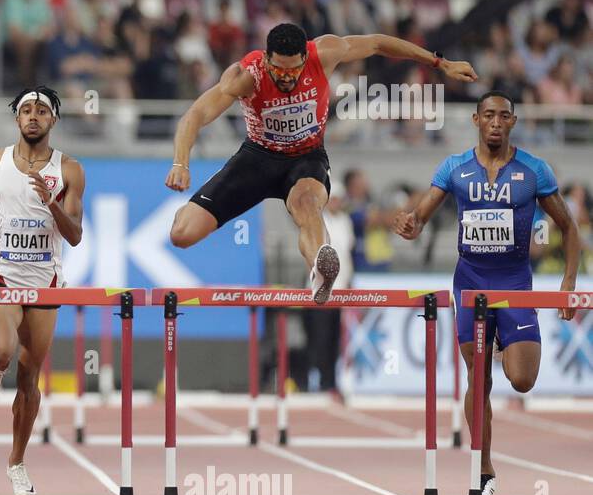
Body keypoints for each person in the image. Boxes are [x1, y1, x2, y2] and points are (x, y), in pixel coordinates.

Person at [166, 23, 479, 303]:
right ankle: (197, 210)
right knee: (182, 234)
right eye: (279, 71)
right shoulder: (247, 77)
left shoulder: (325, 52)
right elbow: (195, 115)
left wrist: (440, 62)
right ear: (266, 61)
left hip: (306, 158)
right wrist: (181, 163)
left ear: (305, 57)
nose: (287, 79)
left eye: (293, 71)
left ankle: (320, 268)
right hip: (257, 159)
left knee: (306, 205)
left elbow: (378, 43)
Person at [394, 91, 582, 495]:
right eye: (489, 116)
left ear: (513, 122)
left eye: (503, 116)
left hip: (514, 283)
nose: (496, 123)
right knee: (478, 378)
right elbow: (420, 217)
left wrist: (568, 285)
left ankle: (504, 338)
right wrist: (410, 225)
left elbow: (569, 229)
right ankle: (483, 465)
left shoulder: (534, 171)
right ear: (476, 120)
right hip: (470, 283)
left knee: (522, 380)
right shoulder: (455, 168)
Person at [0, 87, 85, 495]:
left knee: (30, 378)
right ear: (16, 119)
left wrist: (53, 204)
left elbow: (76, 236)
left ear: (54, 120)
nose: (33, 116)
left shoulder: (70, 170)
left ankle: (16, 462)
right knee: (0, 352)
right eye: (26, 110)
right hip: (1, 277)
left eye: (42, 111)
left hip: (45, 282)